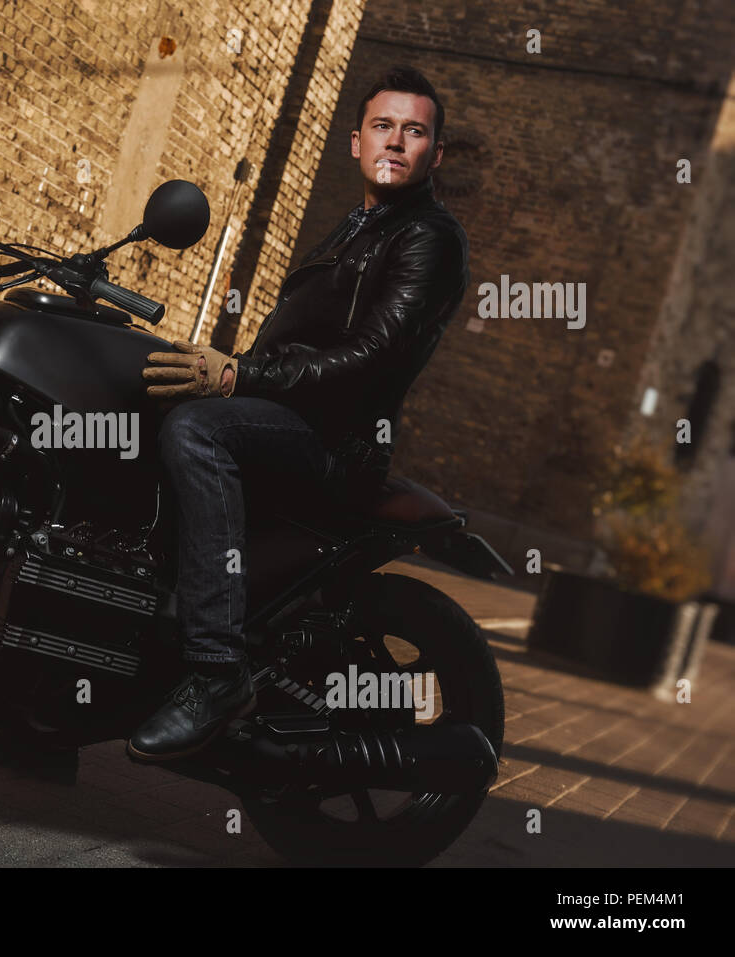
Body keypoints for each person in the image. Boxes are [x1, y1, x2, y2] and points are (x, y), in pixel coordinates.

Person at [127, 65, 471, 762]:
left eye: (415, 131)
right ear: (355, 142)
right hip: (287, 416)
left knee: (199, 430)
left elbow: (370, 358)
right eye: (383, 127)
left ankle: (218, 673)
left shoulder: (426, 239)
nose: (396, 142)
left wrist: (238, 375)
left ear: (435, 153)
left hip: (334, 441)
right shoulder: (357, 226)